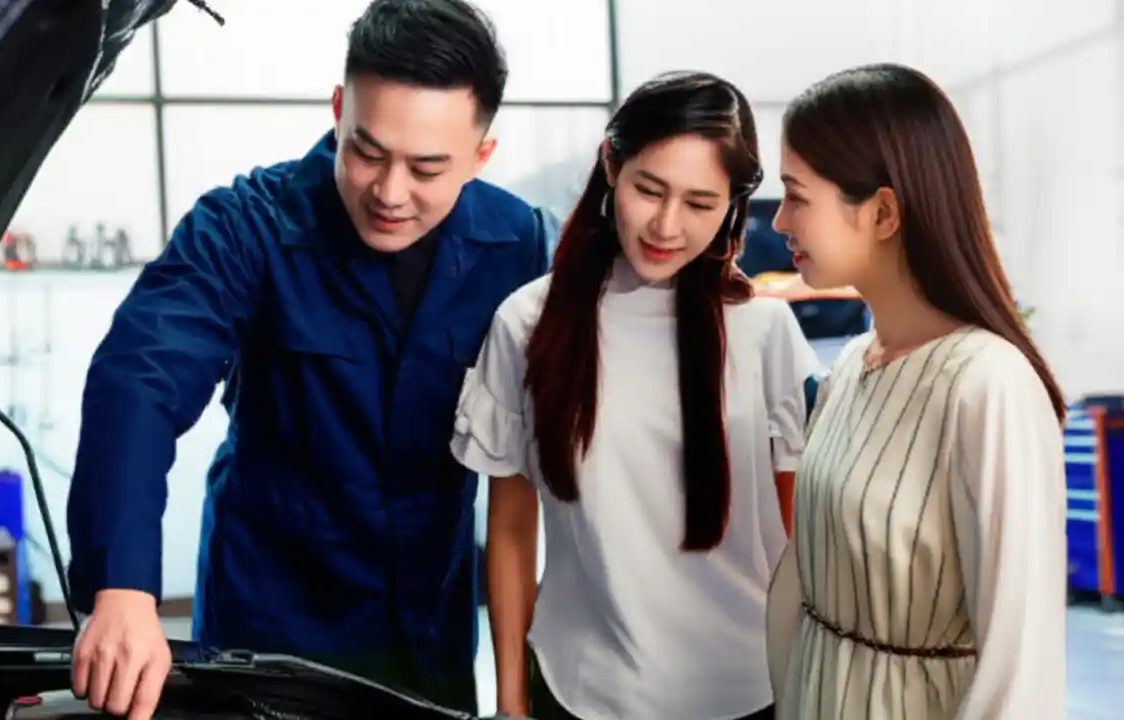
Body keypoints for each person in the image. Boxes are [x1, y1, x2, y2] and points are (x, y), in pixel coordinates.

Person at [63, 1, 551, 717]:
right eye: (367, 152)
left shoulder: (519, 245)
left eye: (426, 168)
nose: (389, 193)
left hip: (428, 643)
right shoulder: (245, 225)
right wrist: (123, 588)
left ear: (481, 156)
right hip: (270, 639)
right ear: (338, 110)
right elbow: (141, 379)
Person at [451, 71, 820, 720]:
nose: (666, 225)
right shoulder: (528, 323)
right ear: (611, 165)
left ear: (733, 206)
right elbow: (510, 528)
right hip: (582, 691)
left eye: (700, 203)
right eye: (648, 189)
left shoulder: (764, 331)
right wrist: (510, 704)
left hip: (748, 689)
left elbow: (799, 542)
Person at [764, 63, 1067, 720]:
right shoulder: (850, 366)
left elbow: (1020, 672)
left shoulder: (988, 384)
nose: (780, 220)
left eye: (796, 196)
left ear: (882, 212)